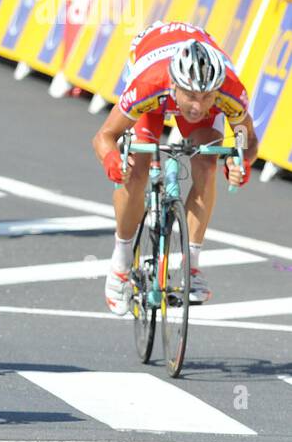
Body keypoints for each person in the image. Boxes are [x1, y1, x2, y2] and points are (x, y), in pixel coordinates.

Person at [92, 24, 257, 313]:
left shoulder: (229, 90)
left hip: (199, 52)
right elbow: (104, 137)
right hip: (149, 63)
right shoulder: (149, 84)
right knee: (138, 167)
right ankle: (120, 263)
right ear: (175, 85)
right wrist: (112, 162)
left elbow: (250, 141)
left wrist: (241, 163)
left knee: (207, 166)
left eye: (207, 97)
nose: (198, 105)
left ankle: (191, 268)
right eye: (191, 96)